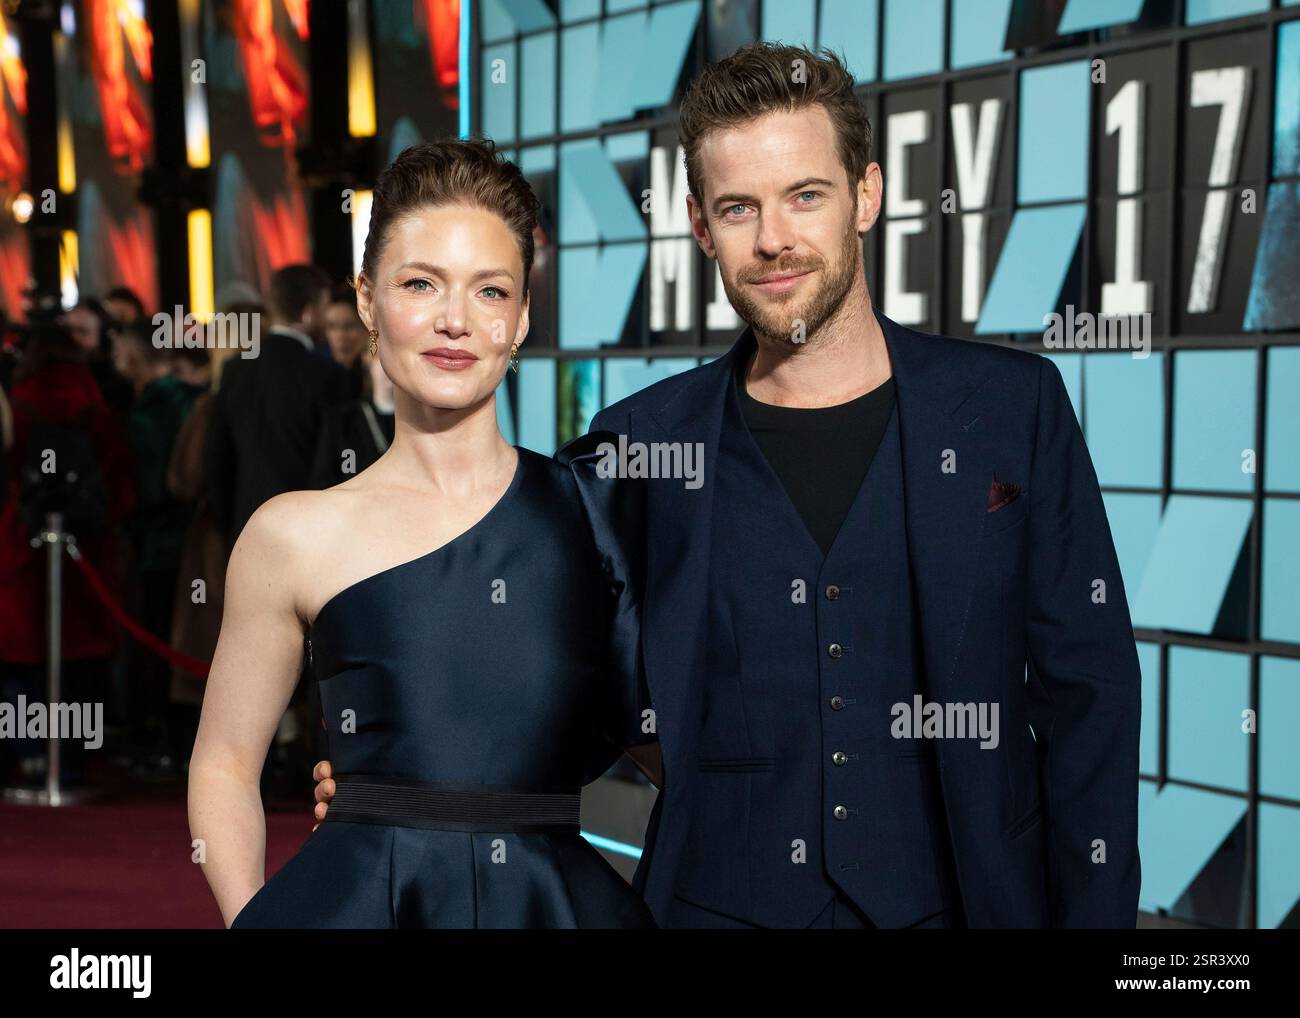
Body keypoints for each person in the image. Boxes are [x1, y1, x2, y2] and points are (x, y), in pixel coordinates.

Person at [311, 43, 1143, 930]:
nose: (774, 237)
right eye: (738, 207)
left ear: (866, 195)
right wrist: (403, 780)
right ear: (700, 225)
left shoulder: (1013, 410)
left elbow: (1088, 695)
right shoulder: (634, 449)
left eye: (805, 196)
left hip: (971, 904)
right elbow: (547, 677)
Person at [188, 139, 659, 929]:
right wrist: (251, 920)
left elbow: (662, 751)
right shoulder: (292, 533)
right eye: (420, 283)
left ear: (521, 317)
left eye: (490, 291)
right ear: (368, 301)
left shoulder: (593, 510)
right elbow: (225, 763)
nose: (454, 322)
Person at [0, 325, 137, 789]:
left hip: (20, 548)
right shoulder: (95, 407)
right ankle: (73, 761)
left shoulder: (18, 403)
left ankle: (29, 754)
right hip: (85, 550)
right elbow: (120, 484)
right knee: (79, 663)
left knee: (21, 659)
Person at [110, 321, 206, 777]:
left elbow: (149, 490)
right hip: (192, 546)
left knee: (157, 643)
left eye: (120, 342)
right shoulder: (189, 401)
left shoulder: (152, 410)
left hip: (158, 545)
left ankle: (161, 741)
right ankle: (178, 741)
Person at [204, 266, 352, 542]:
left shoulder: (235, 370)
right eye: (325, 306)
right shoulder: (327, 375)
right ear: (309, 312)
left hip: (245, 530)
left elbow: (217, 459)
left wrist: (228, 527)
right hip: (309, 532)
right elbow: (335, 461)